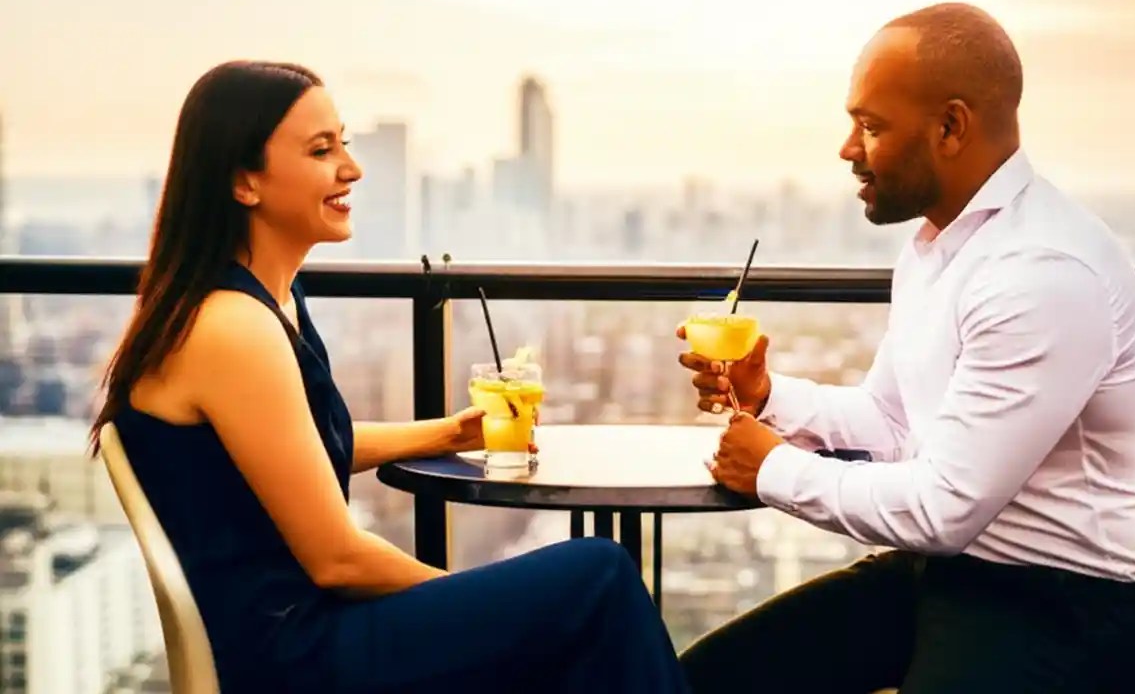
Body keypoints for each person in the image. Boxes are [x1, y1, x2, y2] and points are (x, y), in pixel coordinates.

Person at [90, 60, 689, 694]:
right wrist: (477, 606)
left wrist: (447, 434)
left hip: (304, 636)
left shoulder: (265, 303)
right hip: (297, 658)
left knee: (587, 604)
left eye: (344, 143)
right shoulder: (231, 328)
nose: (352, 167)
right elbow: (336, 560)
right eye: (322, 150)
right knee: (599, 574)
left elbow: (299, 450)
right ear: (245, 182)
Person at [676, 3, 1135, 693]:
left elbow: (942, 509)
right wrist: (768, 397)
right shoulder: (937, 249)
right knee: (698, 683)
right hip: (944, 576)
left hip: (1060, 606)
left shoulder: (1043, 273)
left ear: (951, 126)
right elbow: (895, 422)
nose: (849, 148)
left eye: (871, 127)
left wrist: (773, 470)